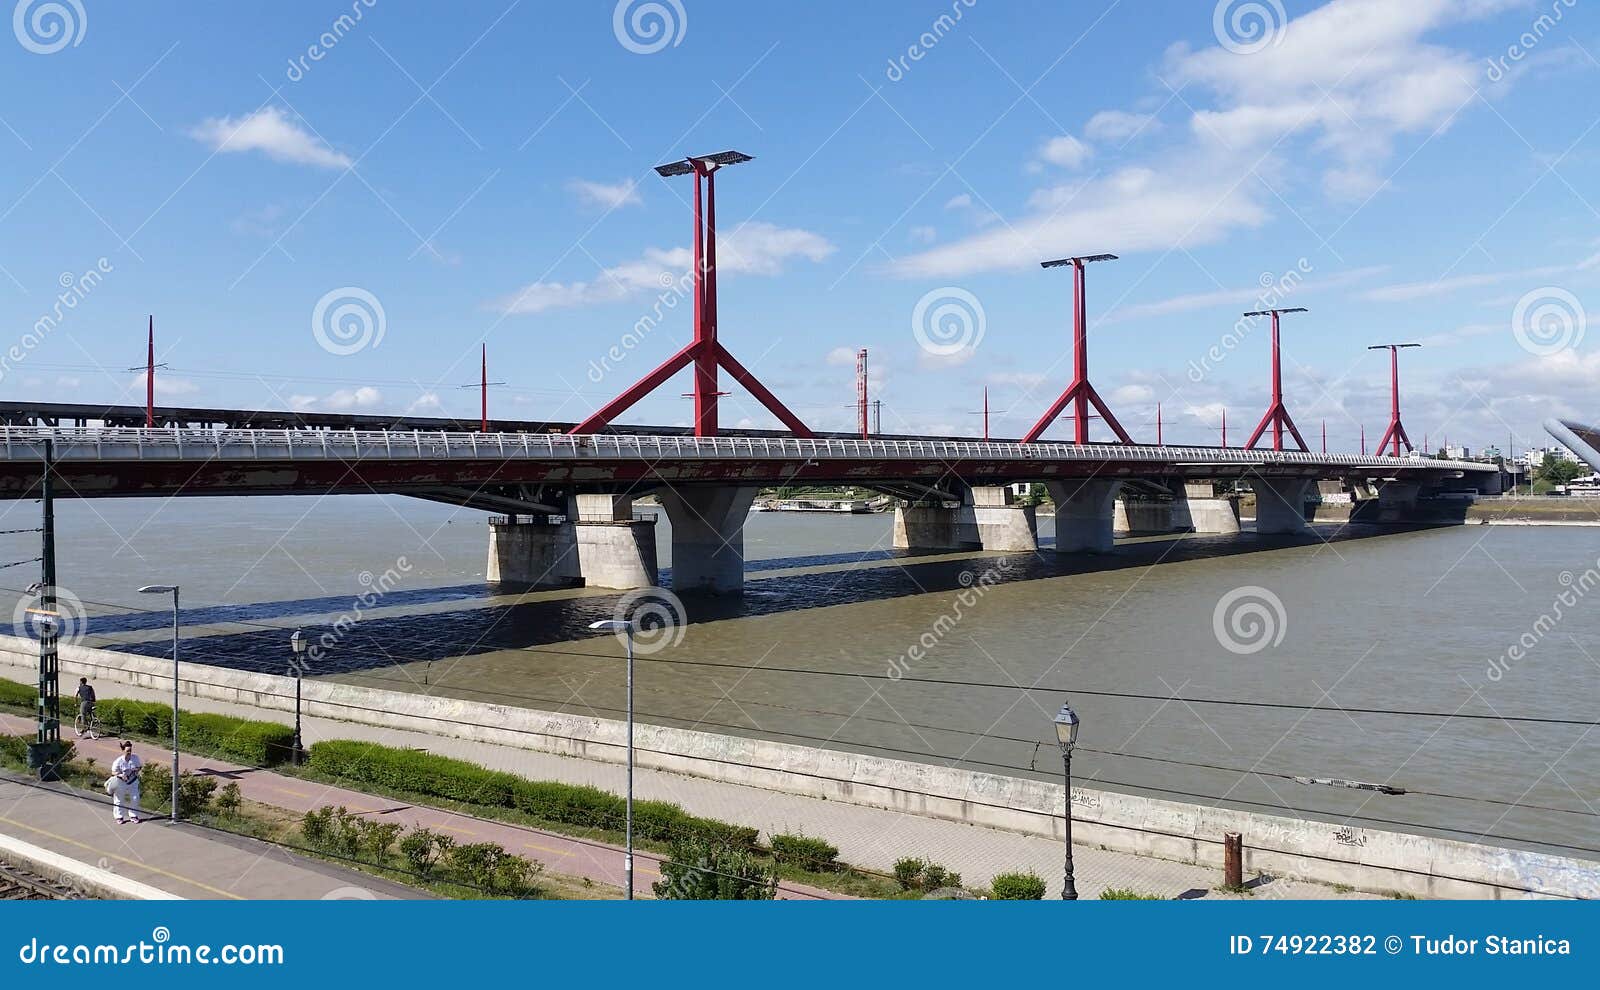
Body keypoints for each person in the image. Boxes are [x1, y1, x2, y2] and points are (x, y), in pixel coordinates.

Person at [108, 740, 142, 825]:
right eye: (127, 751)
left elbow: (139, 767)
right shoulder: (118, 761)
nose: (129, 753)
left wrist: (136, 769)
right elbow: (113, 772)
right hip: (121, 782)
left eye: (130, 751)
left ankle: (133, 815)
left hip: (133, 781)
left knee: (135, 798)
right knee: (119, 800)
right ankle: (119, 816)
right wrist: (120, 775)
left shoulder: (135, 758)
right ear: (123, 751)